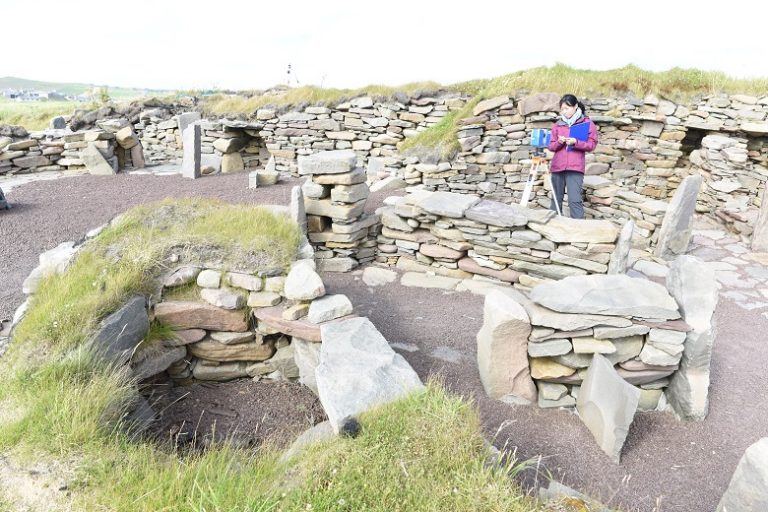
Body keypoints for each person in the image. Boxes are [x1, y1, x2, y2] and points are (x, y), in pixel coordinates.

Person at [547, 94, 598, 219]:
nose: (564, 112)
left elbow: (592, 145)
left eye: (567, 108)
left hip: (575, 167)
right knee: (556, 199)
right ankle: (554, 226)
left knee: (574, 200)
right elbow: (551, 146)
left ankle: (578, 227)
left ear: (575, 107)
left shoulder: (587, 123)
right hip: (558, 167)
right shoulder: (557, 125)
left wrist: (576, 142)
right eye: (562, 109)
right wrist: (559, 142)